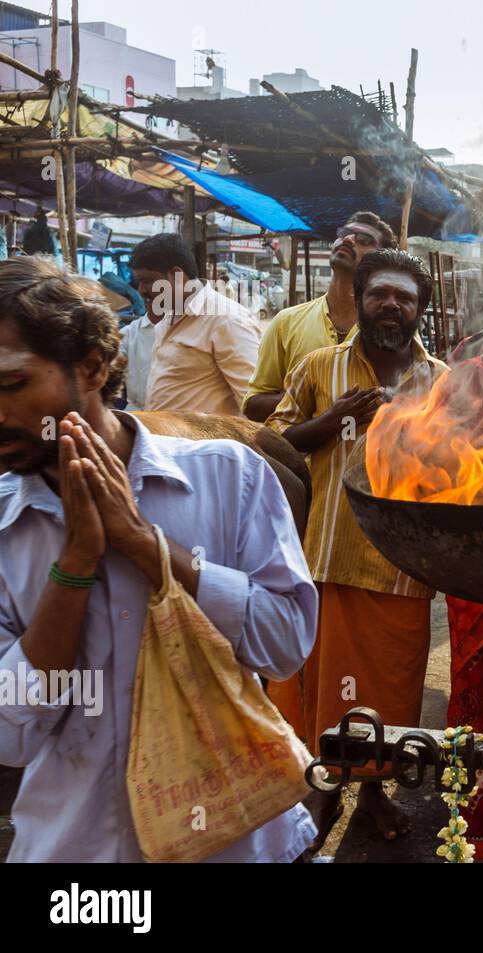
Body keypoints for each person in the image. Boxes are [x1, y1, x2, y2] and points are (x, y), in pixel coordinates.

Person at [0, 255, 317, 861]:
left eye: (13, 385)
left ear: (92, 366)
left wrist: (148, 546)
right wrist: (75, 565)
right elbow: (10, 736)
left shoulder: (230, 476)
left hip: (237, 842)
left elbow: (285, 646)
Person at [265, 250, 448, 850]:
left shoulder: (442, 381)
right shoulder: (320, 367)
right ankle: (323, 789)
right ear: (360, 300)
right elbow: (273, 446)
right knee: (320, 691)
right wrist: (332, 420)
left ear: (420, 309)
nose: (392, 306)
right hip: (325, 558)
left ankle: (371, 792)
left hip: (400, 572)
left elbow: (459, 470)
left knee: (390, 695)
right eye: (380, 295)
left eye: (405, 297)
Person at [244, 213, 395, 422]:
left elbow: (414, 400)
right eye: (344, 234)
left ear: (382, 262)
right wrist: (316, 400)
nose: (348, 240)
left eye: (364, 240)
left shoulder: (391, 329)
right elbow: (253, 406)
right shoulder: (285, 322)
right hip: (293, 454)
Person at [129, 233, 261, 415]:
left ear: (176, 275)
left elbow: (252, 404)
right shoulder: (169, 317)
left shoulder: (227, 321)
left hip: (205, 442)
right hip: (164, 440)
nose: (141, 290)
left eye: (147, 281)